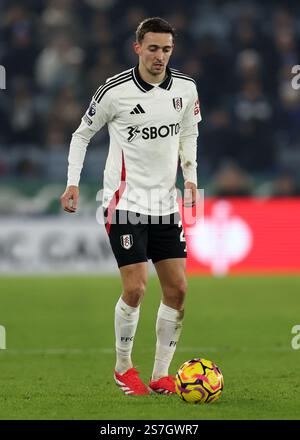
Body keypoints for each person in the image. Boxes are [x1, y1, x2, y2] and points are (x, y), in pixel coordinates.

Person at [60, 17, 202, 395]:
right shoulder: (114, 91)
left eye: (166, 50)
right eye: (153, 48)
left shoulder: (185, 89)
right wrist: (72, 182)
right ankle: (124, 367)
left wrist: (190, 176)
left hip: (165, 205)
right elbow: (81, 134)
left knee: (178, 290)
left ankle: (159, 375)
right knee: (137, 288)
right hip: (124, 203)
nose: (160, 56)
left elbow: (189, 131)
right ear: (137, 47)